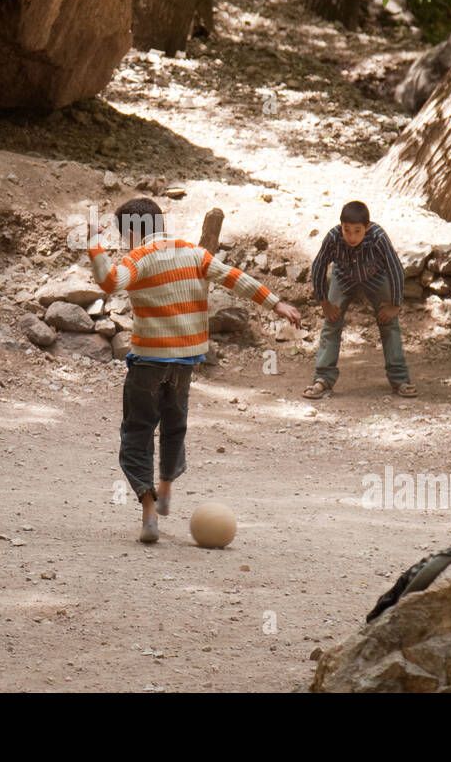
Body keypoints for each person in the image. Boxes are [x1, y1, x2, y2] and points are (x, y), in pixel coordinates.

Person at [88, 198, 302, 543]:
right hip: (184, 364)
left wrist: (93, 243)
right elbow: (236, 279)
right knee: (174, 426)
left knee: (138, 434)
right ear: (159, 222)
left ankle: (148, 512)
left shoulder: (138, 259)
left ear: (131, 231)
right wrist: (276, 302)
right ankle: (167, 487)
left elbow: (110, 282)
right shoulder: (193, 253)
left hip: (148, 364)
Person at [303, 200, 417, 399]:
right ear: (341, 227)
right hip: (343, 277)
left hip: (376, 277)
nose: (351, 236)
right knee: (331, 324)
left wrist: (395, 305)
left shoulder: (378, 237)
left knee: (389, 324)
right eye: (347, 230)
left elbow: (395, 268)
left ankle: (400, 380)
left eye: (357, 231)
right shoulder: (333, 237)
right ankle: (322, 379)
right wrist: (325, 303)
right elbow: (318, 267)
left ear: (367, 227)